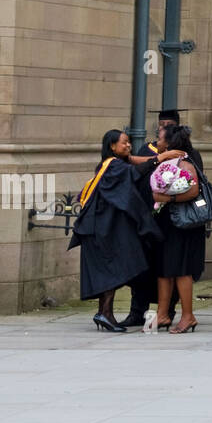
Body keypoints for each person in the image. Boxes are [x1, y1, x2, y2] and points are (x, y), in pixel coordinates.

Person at [68, 130, 163, 332]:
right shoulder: (114, 166)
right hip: (101, 231)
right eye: (124, 142)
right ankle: (105, 313)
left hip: (101, 229)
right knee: (114, 269)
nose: (128, 145)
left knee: (110, 270)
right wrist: (159, 159)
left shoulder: (110, 165)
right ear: (112, 146)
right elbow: (135, 174)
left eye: (129, 142)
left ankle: (105, 313)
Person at [123, 109, 187, 327]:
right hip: (145, 216)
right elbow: (138, 169)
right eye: (162, 125)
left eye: (170, 124)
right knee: (141, 266)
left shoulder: (183, 154)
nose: (164, 128)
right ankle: (137, 310)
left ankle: (167, 310)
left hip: (169, 220)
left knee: (167, 268)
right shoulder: (148, 149)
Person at [153, 124, 207, 333]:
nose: (157, 142)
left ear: (169, 143)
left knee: (181, 269)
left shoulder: (185, 163)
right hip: (168, 223)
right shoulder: (168, 162)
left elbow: (193, 191)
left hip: (182, 224)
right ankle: (162, 314)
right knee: (164, 269)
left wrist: (167, 197)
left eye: (159, 138)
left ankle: (188, 316)